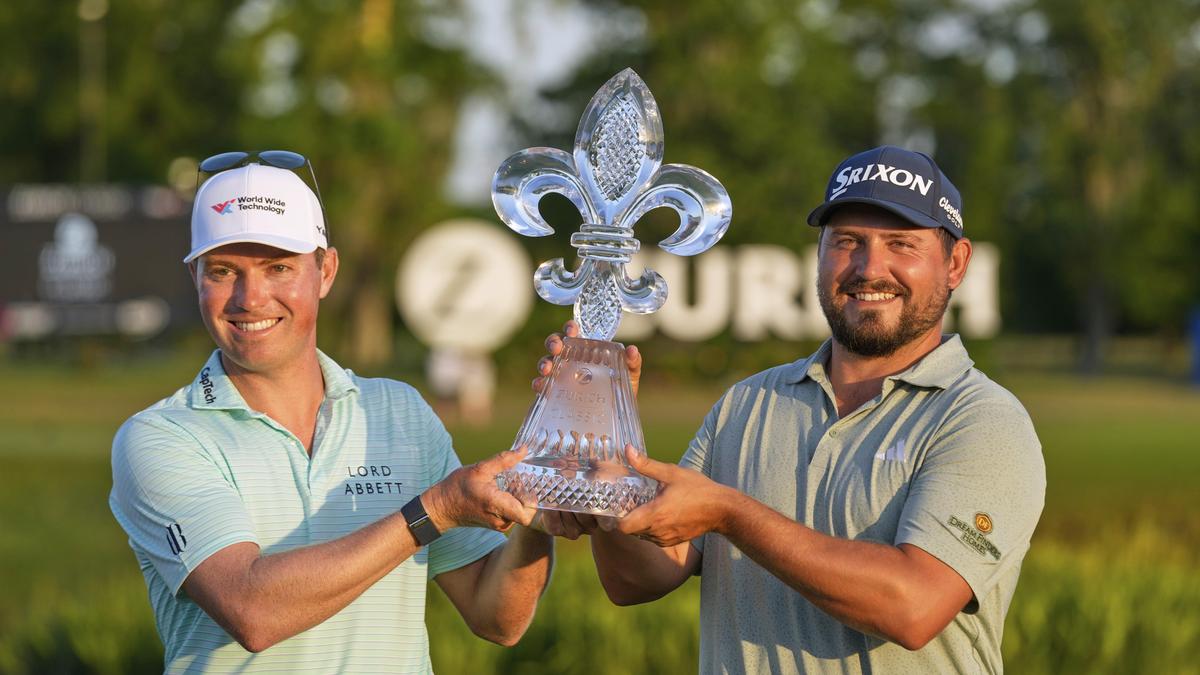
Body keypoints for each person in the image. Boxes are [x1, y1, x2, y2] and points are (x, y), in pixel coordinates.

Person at [536, 146, 1046, 673]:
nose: (870, 268)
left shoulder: (983, 420)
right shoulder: (748, 403)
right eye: (848, 241)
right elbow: (637, 580)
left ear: (956, 263)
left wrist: (732, 514)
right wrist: (605, 448)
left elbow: (912, 607)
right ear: (821, 253)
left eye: (902, 244)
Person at [109, 152, 552, 674]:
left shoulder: (400, 412)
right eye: (224, 271)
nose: (251, 298)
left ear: (326, 271)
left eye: (279, 267)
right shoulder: (161, 437)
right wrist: (432, 511)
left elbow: (496, 616)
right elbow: (252, 610)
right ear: (195, 277)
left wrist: (538, 504)